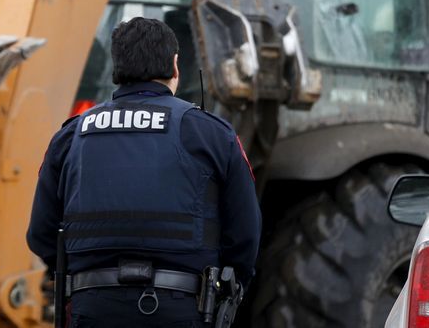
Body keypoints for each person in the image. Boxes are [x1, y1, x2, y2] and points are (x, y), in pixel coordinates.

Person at [27, 17, 261, 327]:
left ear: (117, 68)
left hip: (93, 308)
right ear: (175, 66)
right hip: (183, 310)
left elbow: (41, 234)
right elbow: (245, 235)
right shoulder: (213, 134)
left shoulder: (71, 136)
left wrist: (85, 279)